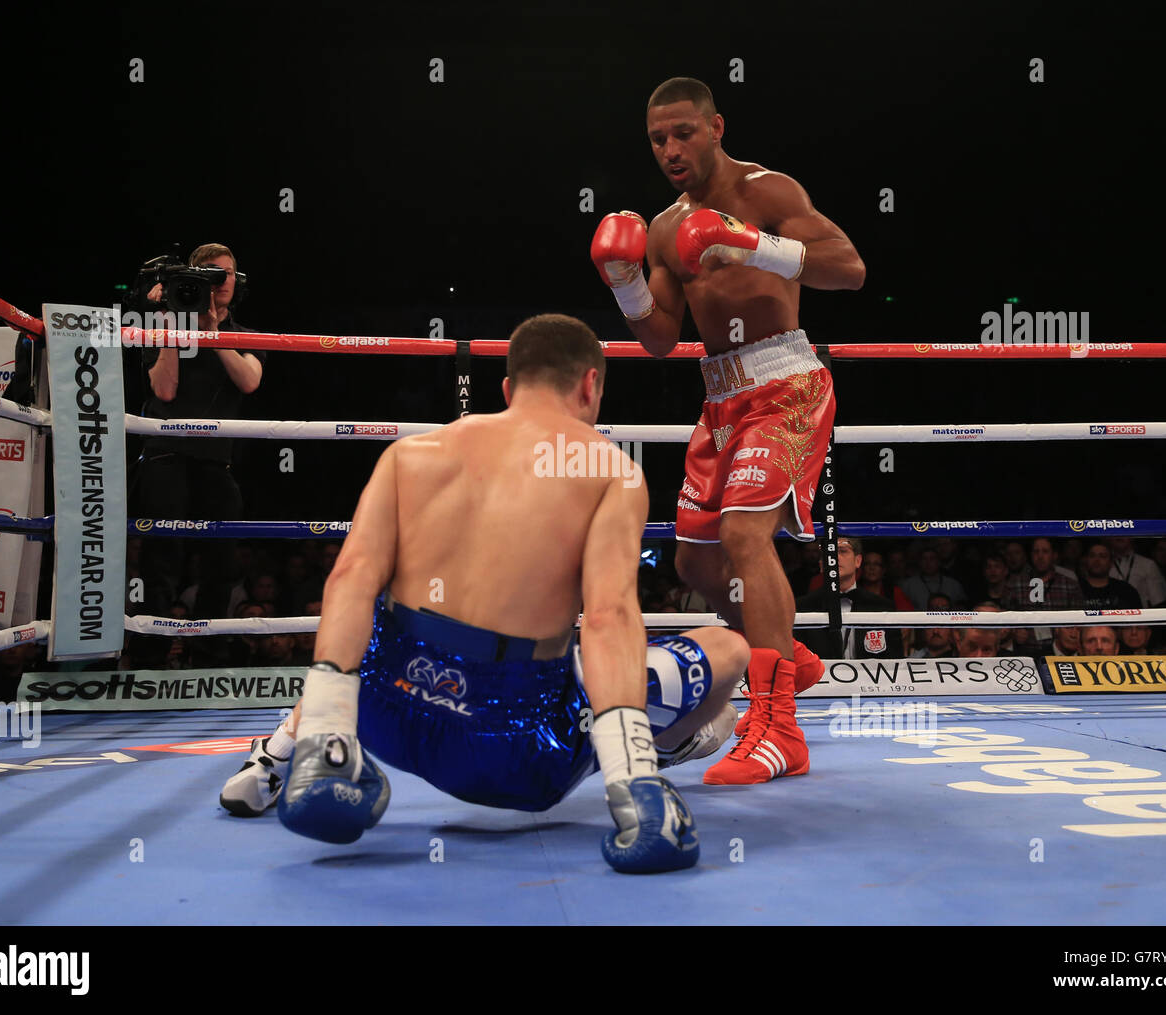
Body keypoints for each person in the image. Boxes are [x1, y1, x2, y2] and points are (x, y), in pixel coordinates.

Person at [223, 315, 750, 874]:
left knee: (376, 615)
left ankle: (289, 754)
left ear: (506, 388)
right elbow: (607, 617)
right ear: (590, 385)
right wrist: (632, 777)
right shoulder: (608, 471)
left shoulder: (411, 454)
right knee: (727, 651)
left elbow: (348, 578)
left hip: (385, 717)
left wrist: (330, 726)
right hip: (515, 755)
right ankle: (654, 751)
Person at [589, 76, 865, 785]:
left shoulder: (769, 192)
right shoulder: (663, 228)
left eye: (683, 133)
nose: (670, 149)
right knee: (696, 562)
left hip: (786, 382)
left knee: (745, 536)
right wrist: (624, 281)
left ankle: (779, 729)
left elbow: (850, 269)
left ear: (716, 127)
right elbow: (659, 339)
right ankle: (788, 658)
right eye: (657, 139)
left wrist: (753, 245)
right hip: (720, 398)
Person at [133, 243, 264, 666]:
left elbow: (249, 381)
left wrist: (212, 331)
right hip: (165, 454)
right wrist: (171, 321)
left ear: (237, 280)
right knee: (161, 560)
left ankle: (209, 659)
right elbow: (164, 390)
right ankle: (150, 661)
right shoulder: (164, 326)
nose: (220, 282)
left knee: (221, 561)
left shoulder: (244, 333)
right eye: (210, 275)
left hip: (215, 459)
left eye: (226, 274)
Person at [795, 536, 901, 666]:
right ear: (821, 564)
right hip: (820, 678)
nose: (835, 557)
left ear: (858, 560)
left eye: (843, 551)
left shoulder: (881, 606)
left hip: (871, 678)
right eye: (830, 552)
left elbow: (895, 664)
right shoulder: (803, 607)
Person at [1078, 539, 1143, 611]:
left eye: (1102, 556)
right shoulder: (1075, 588)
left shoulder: (1126, 591)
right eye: (1092, 556)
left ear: (1111, 563)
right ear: (1086, 560)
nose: (1096, 560)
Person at [1109, 536, 1166, 607]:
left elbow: (1158, 600)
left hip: (1140, 612)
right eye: (1116, 532)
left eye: (1124, 531)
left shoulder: (1148, 564)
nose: (1120, 535)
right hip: (1109, 612)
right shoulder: (1102, 565)